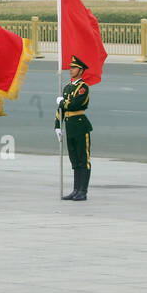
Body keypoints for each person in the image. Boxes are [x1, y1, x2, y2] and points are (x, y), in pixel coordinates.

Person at [56, 55, 92, 201]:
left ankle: (83, 190)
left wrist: (62, 102)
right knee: (74, 160)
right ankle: (76, 189)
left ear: (81, 70)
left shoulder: (83, 87)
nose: (71, 70)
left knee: (83, 159)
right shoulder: (67, 87)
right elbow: (61, 110)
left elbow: (75, 104)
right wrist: (57, 126)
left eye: (74, 68)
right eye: (71, 68)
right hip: (70, 125)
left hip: (80, 125)